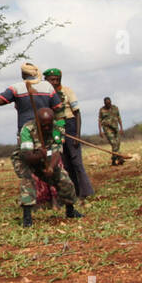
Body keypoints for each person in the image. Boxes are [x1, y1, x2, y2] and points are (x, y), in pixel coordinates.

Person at [12, 107, 81, 225]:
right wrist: (39, 155)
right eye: (44, 126)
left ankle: (70, 211)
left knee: (64, 179)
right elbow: (28, 156)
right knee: (28, 181)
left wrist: (50, 167)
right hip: (25, 159)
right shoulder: (27, 129)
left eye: (49, 125)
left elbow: (56, 152)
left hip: (47, 157)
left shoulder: (56, 128)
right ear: (37, 122)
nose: (47, 128)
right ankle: (27, 218)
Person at [44, 68, 95, 200]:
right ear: (46, 81)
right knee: (65, 164)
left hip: (70, 125)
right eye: (52, 80)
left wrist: (77, 135)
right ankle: (74, 192)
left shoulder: (67, 91)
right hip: (55, 129)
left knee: (76, 161)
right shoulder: (45, 95)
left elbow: (77, 113)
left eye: (57, 79)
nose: (54, 82)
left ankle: (87, 192)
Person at [0, 63, 63, 132]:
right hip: (45, 129)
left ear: (23, 74)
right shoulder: (47, 86)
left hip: (25, 129)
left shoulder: (16, 87)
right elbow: (58, 107)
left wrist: (17, 100)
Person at [98, 97, 125, 166]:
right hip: (107, 129)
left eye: (109, 103)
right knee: (114, 143)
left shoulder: (115, 108)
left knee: (118, 143)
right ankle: (119, 158)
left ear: (111, 102)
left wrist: (121, 128)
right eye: (107, 103)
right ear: (104, 103)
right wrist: (100, 131)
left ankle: (114, 159)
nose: (108, 104)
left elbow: (119, 118)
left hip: (115, 128)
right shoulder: (102, 110)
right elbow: (99, 121)